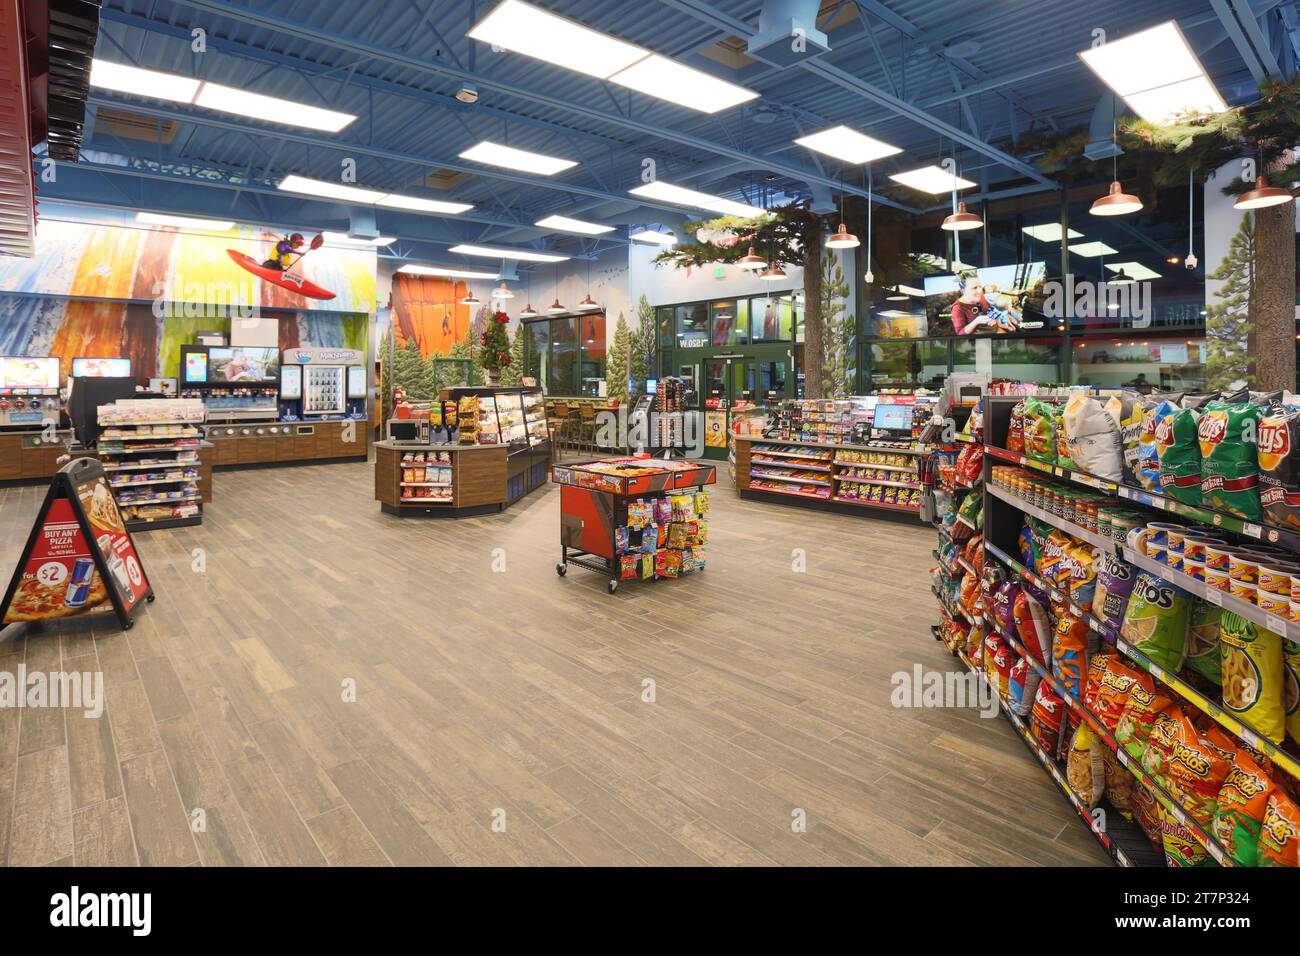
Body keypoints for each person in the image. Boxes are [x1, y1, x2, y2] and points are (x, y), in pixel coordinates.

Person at [949, 269, 997, 335]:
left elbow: (988, 311)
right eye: (974, 288)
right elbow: (960, 333)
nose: (980, 291)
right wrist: (976, 322)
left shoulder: (980, 295)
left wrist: (994, 318)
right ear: (963, 291)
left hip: (994, 330)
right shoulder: (957, 308)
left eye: (980, 286)